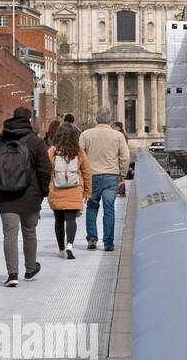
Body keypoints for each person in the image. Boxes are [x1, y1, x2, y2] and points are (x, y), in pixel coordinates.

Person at [0, 106, 52, 287]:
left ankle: (12, 274)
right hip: (31, 195)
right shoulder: (36, 142)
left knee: (9, 235)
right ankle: (29, 270)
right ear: (30, 120)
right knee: (29, 232)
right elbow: (45, 170)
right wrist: (43, 192)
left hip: (6, 196)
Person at [80, 109, 130, 252]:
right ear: (109, 120)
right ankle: (108, 242)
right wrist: (122, 174)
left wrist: (82, 175)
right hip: (111, 175)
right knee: (109, 209)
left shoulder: (86, 134)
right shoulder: (118, 136)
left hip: (92, 176)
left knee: (92, 206)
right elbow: (125, 157)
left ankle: (92, 238)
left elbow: (80, 155)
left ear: (96, 119)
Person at [47, 124, 91, 260]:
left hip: (56, 190)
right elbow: (87, 172)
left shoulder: (53, 151)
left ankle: (61, 249)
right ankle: (70, 245)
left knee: (58, 220)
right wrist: (87, 191)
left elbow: (46, 170)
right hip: (74, 190)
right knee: (71, 219)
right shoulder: (79, 151)